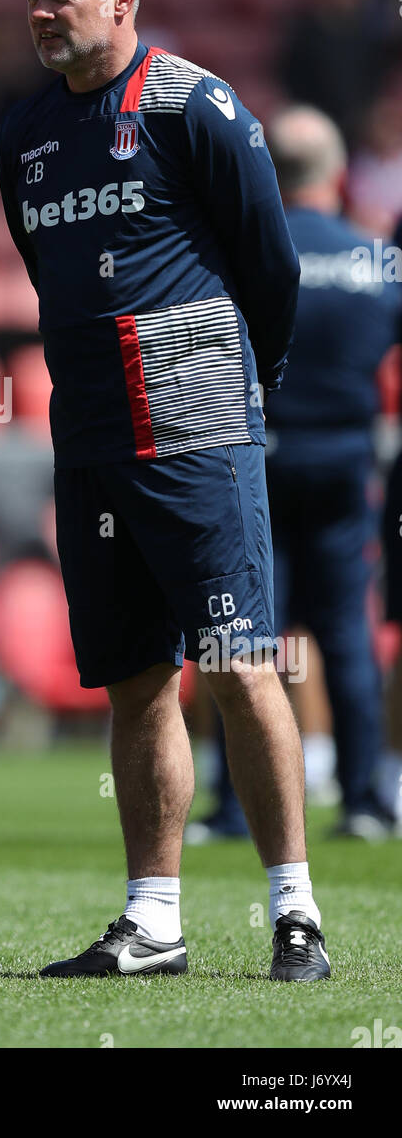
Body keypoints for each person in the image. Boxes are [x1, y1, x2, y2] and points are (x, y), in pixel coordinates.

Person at [0, 0, 328, 982]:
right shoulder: (25, 132)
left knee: (237, 661)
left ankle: (296, 914)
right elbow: (51, 276)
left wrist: (241, 387)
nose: (42, 14)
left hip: (194, 413)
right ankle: (153, 920)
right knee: (137, 681)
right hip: (87, 427)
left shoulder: (196, 104)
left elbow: (270, 272)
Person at [188, 106, 400, 842]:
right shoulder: (378, 261)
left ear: (270, 176)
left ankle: (233, 807)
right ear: (340, 175)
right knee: (346, 636)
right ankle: (367, 801)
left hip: (256, 462)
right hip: (345, 465)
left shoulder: (243, 257)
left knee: (245, 639)